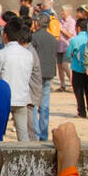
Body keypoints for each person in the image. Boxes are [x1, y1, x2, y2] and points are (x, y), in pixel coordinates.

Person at [0, 16, 40, 141]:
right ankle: (26, 158)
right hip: (22, 98)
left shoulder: (0, 54)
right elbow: (27, 76)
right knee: (23, 134)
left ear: (5, 36)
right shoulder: (28, 54)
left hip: (3, 98)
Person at [31, 12, 57, 141]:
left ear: (37, 23)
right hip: (49, 72)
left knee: (35, 104)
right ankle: (44, 134)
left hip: (36, 73)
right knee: (45, 105)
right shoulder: (53, 38)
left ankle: (36, 133)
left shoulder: (34, 37)